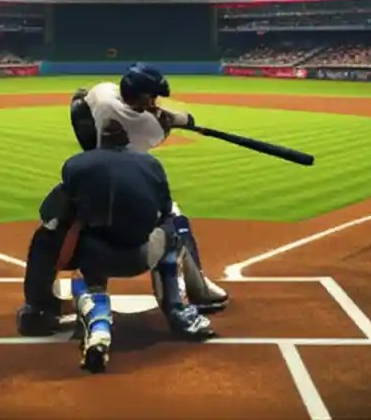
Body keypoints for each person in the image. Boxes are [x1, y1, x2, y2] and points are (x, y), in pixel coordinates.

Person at [17, 118, 215, 373]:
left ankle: (68, 319)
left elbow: (49, 216)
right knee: (173, 229)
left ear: (100, 140)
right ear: (127, 141)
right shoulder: (151, 165)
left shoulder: (76, 166)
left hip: (94, 256)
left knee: (54, 236)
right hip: (141, 255)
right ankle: (179, 312)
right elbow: (165, 210)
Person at [69, 63, 229, 312]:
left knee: (69, 222)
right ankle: (192, 294)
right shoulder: (148, 127)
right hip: (128, 190)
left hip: (95, 185)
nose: (154, 101)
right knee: (174, 219)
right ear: (140, 94)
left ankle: (48, 301)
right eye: (151, 95)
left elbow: (82, 98)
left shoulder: (103, 93)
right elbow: (168, 121)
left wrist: (155, 110)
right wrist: (181, 119)